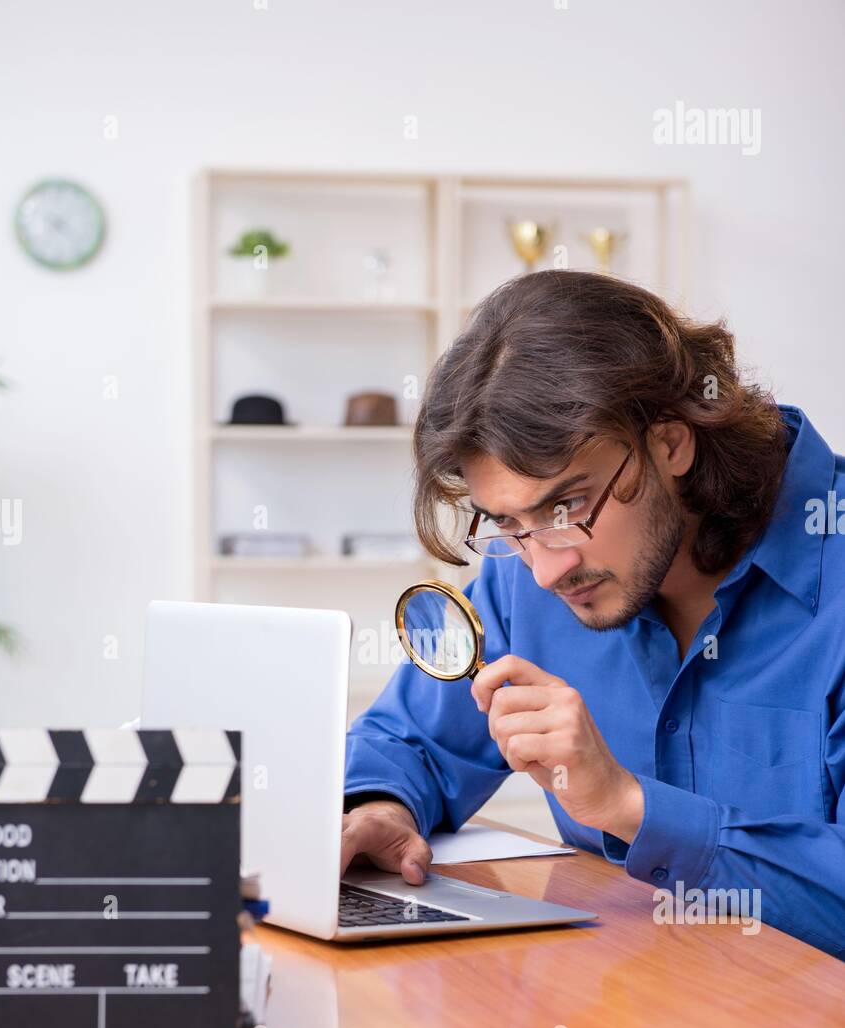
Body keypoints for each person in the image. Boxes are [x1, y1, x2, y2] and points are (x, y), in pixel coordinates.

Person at [341, 270, 845, 960]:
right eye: (508, 523)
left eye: (565, 508)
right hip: (629, 1024)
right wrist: (377, 810)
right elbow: (410, 741)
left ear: (669, 443)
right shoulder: (526, 574)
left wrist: (628, 805)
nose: (546, 570)